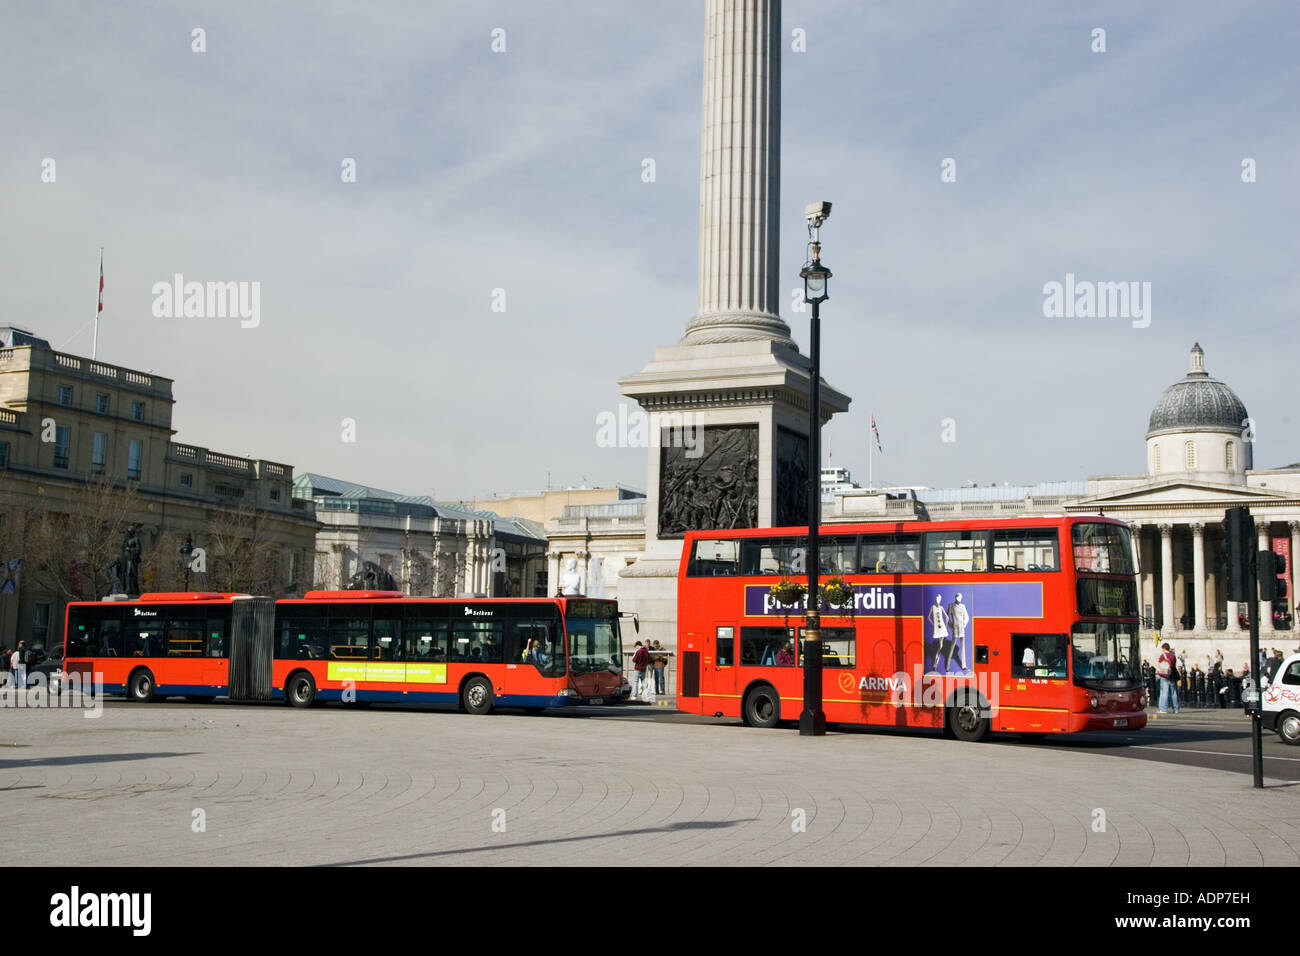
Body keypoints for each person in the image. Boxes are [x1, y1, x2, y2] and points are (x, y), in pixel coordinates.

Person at [1155, 642, 1179, 714]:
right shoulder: (1173, 656)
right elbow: (1173, 666)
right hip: (1172, 675)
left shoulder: (1162, 656)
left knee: (1164, 692)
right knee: (1173, 693)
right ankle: (1176, 709)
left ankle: (1163, 709)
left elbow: (1159, 665)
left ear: (1163, 648)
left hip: (1164, 676)